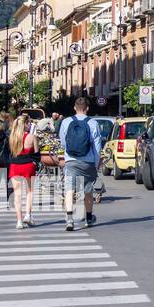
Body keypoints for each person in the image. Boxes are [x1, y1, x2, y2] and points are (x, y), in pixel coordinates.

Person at [60, 97, 104, 231]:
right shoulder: (93, 123)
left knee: (69, 189)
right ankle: (88, 218)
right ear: (87, 108)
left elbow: (63, 142)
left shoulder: (66, 122)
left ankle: (69, 219)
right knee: (88, 191)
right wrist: (96, 164)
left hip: (71, 160)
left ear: (74, 107)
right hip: (88, 161)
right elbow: (97, 147)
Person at [7, 114, 37, 229]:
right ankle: (28, 215)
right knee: (30, 191)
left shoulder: (12, 137)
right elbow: (37, 154)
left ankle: (19, 221)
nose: (30, 124)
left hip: (15, 165)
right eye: (29, 122)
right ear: (24, 124)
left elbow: (9, 152)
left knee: (17, 194)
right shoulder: (32, 137)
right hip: (28, 165)